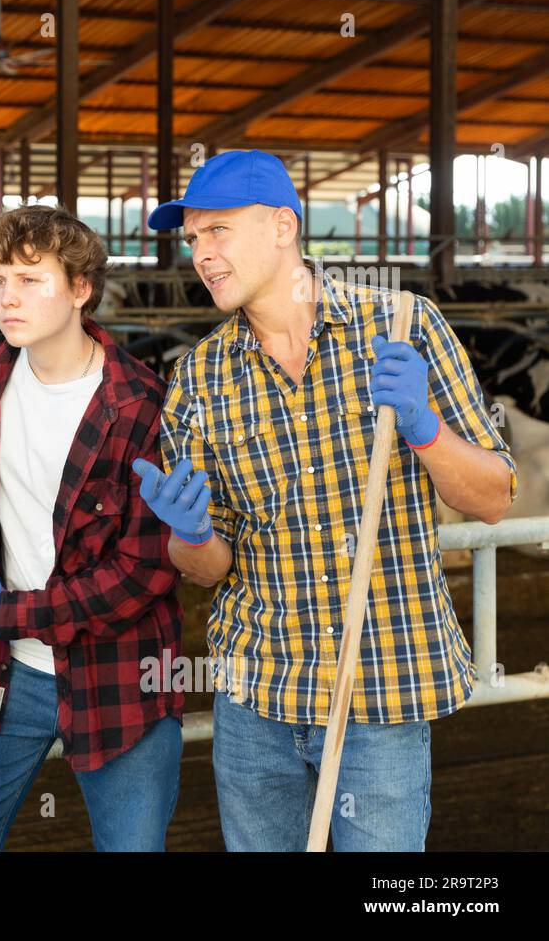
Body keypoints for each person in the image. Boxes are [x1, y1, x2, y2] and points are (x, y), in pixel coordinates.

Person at [136, 149, 517, 851]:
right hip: (257, 699)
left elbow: (493, 498)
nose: (201, 255)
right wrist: (186, 532)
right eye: (192, 240)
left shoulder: (404, 326)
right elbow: (207, 569)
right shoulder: (198, 377)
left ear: (283, 226)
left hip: (380, 687)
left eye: (216, 231)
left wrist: (426, 431)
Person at [0, 204, 184, 852]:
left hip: (119, 681)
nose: (9, 299)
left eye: (32, 281)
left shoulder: (139, 404)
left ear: (81, 289)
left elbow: (139, 576)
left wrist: (6, 612)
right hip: (1, 673)